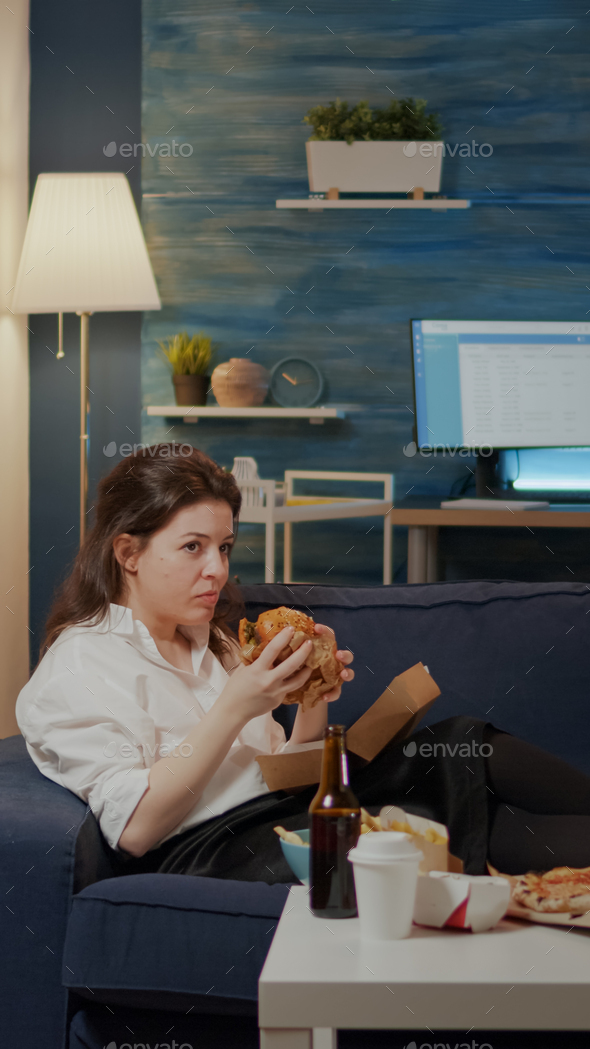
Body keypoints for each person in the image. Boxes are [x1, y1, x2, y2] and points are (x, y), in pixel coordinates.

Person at [16, 445, 590, 883]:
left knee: (463, 744)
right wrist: (235, 704)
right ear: (128, 553)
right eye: (192, 547)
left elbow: (282, 771)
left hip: (287, 808)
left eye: (224, 547)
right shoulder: (79, 667)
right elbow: (137, 829)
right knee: (444, 821)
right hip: (221, 847)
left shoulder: (209, 641)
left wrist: (309, 698)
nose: (216, 569)